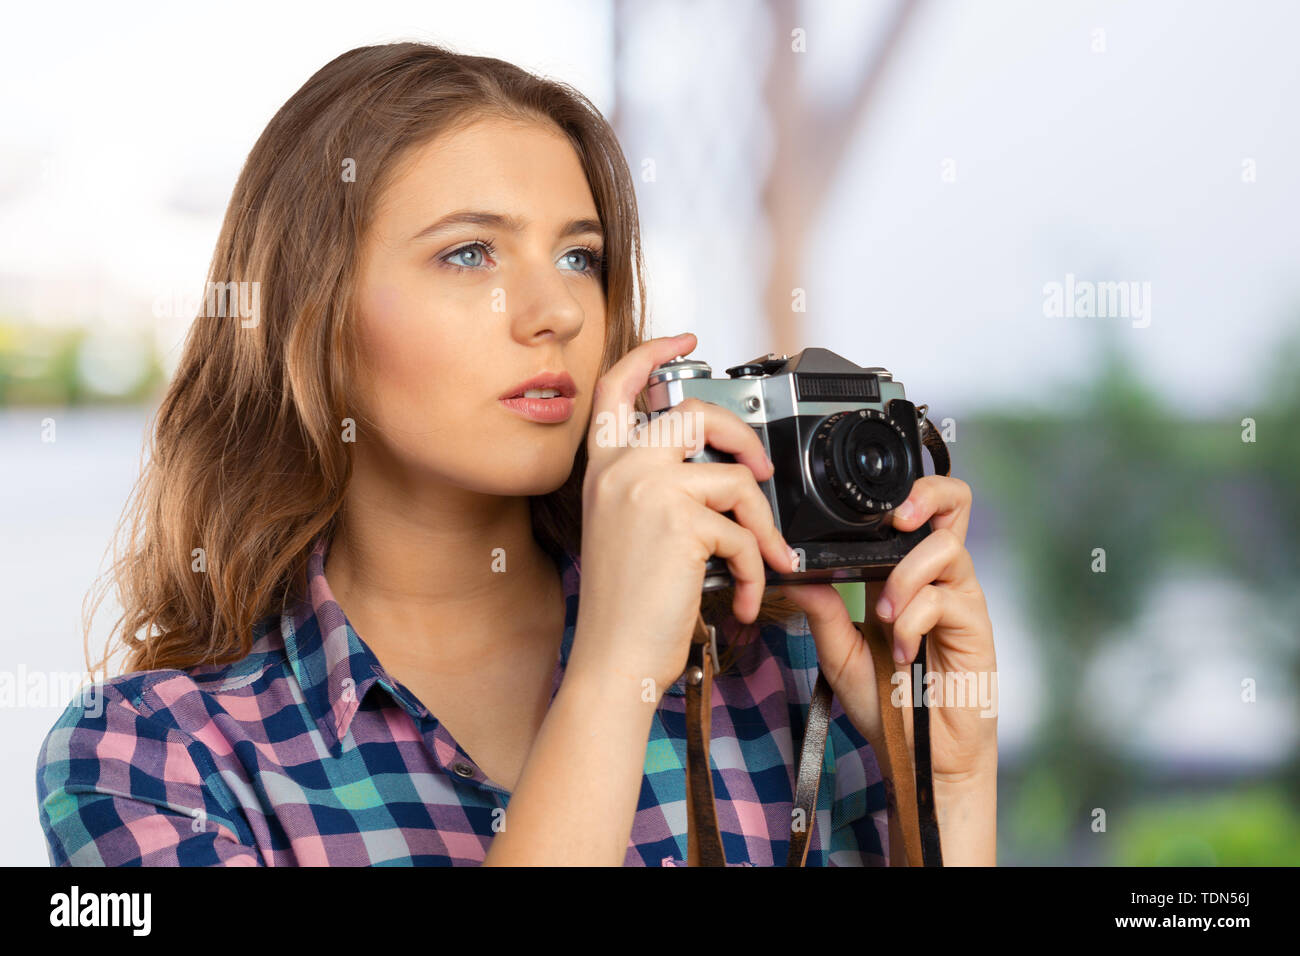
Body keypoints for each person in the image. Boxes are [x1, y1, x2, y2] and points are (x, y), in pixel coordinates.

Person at [35, 41, 997, 866]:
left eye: (580, 257)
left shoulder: (779, 667)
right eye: (470, 254)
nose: (560, 313)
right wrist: (615, 673)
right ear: (312, 320)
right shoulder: (150, 762)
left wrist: (949, 778)